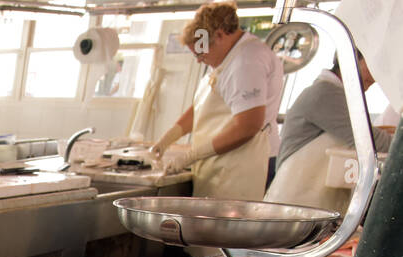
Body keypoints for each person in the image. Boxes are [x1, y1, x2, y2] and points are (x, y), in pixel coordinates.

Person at [151, 3, 283, 200]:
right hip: (222, 162)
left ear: (220, 35)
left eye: (200, 53)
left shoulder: (246, 62)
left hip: (243, 166)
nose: (198, 60)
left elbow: (248, 125)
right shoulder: (227, 59)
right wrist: (167, 139)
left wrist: (191, 155)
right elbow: (204, 106)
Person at [266, 51, 393, 213]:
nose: (375, 77)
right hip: (293, 205)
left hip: (314, 207)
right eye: (372, 65)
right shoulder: (325, 93)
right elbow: (373, 142)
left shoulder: (341, 95)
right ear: (349, 59)